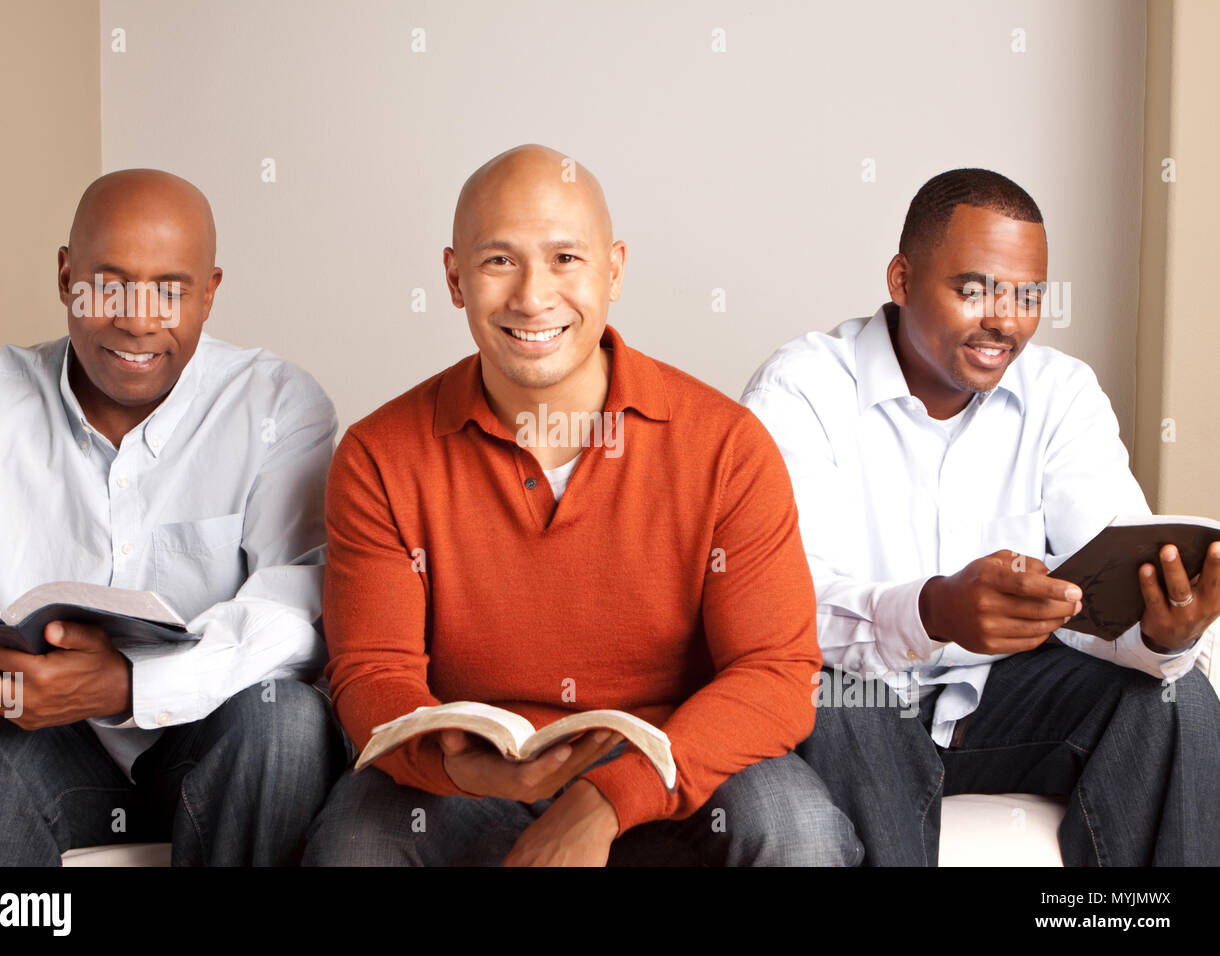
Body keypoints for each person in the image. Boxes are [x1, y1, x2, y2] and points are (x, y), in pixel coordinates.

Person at [304, 144, 859, 867]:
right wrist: (458, 765)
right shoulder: (380, 454)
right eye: (499, 261)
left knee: (796, 829)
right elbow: (374, 673)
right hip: (464, 783)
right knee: (356, 845)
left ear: (615, 269)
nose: (533, 297)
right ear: (453, 277)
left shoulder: (725, 445)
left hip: (671, 773)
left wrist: (604, 801)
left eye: (566, 259)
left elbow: (775, 676)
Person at [741, 167, 1220, 866]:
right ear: (901, 280)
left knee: (1175, 697)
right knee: (842, 697)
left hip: (1006, 702)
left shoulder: (1061, 393)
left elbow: (1102, 593)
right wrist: (933, 611)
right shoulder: (803, 389)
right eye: (975, 289)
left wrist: (1158, 631)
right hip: (863, 704)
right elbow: (777, 611)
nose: (1005, 318)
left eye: (1028, 295)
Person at [0, 169, 347, 865]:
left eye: (171, 289)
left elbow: (301, 611)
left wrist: (129, 684)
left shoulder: (276, 406)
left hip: (213, 751)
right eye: (108, 283)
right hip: (35, 757)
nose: (138, 318)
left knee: (288, 720)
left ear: (210, 292)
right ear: (65, 277)